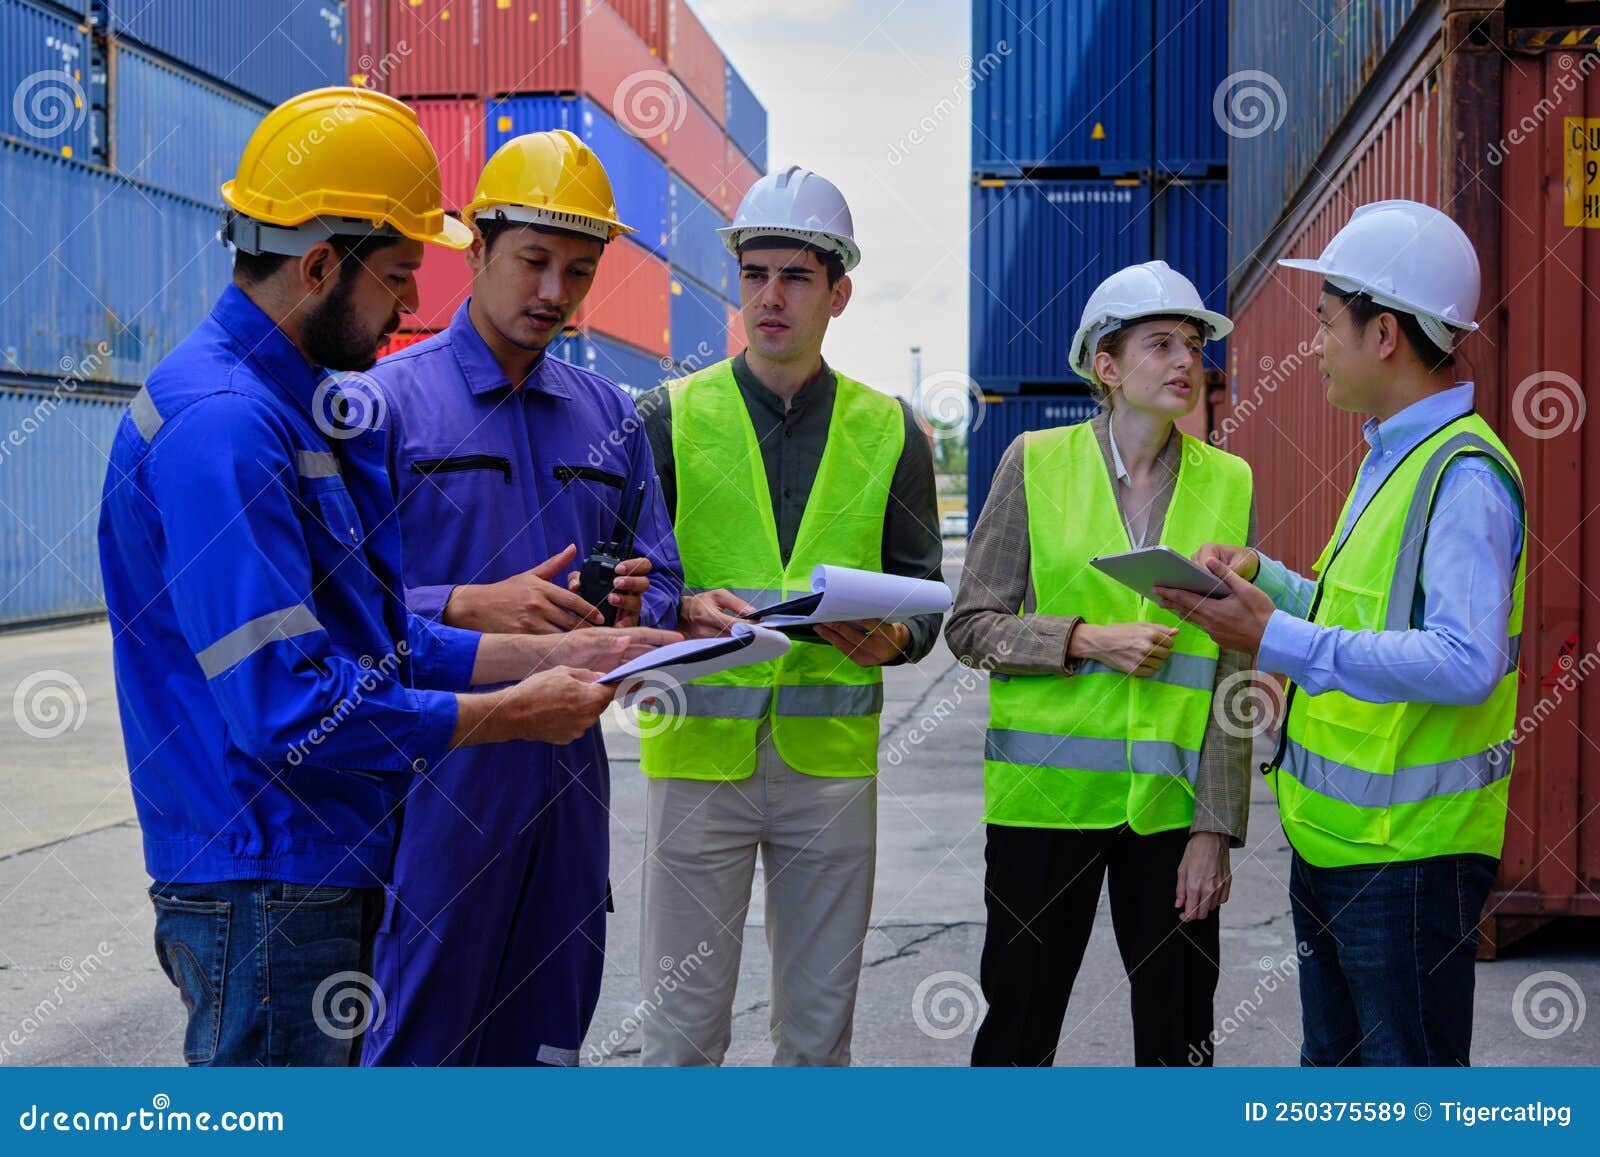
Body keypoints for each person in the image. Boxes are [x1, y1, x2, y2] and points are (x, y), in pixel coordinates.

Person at [97, 89, 675, 1067]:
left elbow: (372, 640)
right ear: (320, 265)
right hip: (267, 873)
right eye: (400, 275)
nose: (413, 302)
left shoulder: (295, 413)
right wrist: (507, 709)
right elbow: (289, 705)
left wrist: (559, 647)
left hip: (317, 862)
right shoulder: (230, 427)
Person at [1159, 200, 1525, 1067]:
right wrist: (1267, 579)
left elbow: (1465, 661)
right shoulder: (1391, 454)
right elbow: (1359, 610)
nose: (1315, 345)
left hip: (1408, 863)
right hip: (1338, 846)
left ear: (1385, 333)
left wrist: (1276, 634)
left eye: (1326, 325)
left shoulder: (1463, 474)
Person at [360, 130, 683, 1066]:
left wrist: (639, 606)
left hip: (567, 796)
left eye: (578, 272)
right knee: (416, 1055)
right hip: (434, 788)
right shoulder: (384, 406)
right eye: (535, 262)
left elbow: (661, 580)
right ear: (477, 247)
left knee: (547, 1056)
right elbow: (336, 613)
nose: (554, 293)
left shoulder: (610, 415)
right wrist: (462, 600)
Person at [633, 166, 945, 1066]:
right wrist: (678, 604)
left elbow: (922, 590)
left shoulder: (890, 430)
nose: (771, 297)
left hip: (829, 773)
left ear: (838, 292)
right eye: (756, 274)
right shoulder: (669, 417)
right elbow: (623, 574)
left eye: (797, 277)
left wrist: (893, 636)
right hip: (697, 759)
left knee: (817, 1033)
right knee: (679, 1034)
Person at [947, 261, 1254, 1067]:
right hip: (1042, 806)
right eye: (1162, 343)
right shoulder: (1034, 461)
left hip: (1168, 815)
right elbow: (972, 624)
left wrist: (1215, 828)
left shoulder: (1231, 480)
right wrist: (1084, 639)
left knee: (1180, 1037)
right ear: (1107, 367)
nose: (1187, 360)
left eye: (1194, 343)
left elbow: (1233, 672)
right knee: (1017, 1032)